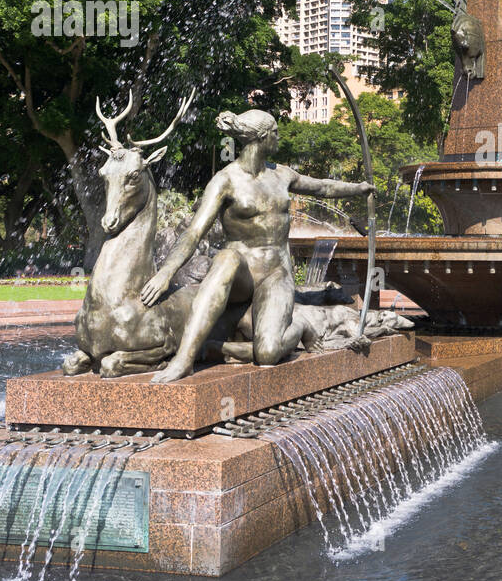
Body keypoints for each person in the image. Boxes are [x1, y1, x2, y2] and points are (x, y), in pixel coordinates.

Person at [140, 109, 374, 383]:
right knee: (226, 258)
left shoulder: (282, 175)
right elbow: (193, 232)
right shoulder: (225, 180)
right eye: (275, 132)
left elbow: (322, 187)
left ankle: (298, 325)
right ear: (262, 137)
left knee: (267, 354)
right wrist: (165, 272)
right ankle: (184, 360)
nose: (279, 138)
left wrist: (359, 188)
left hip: (274, 273)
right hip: (240, 273)